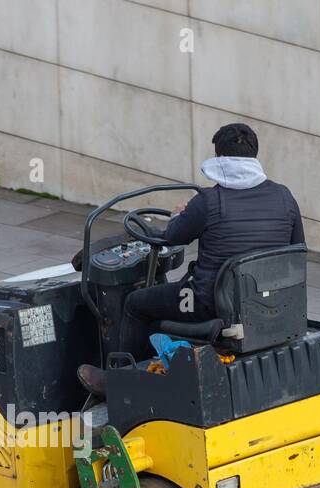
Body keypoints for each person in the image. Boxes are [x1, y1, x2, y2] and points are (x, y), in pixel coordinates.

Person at [78, 123, 305, 396]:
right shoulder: (284, 196)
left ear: (219, 157)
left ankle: (119, 384)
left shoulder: (209, 201)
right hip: (267, 304)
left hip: (208, 304)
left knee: (136, 303)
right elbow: (296, 251)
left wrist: (179, 215)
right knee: (160, 302)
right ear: (254, 155)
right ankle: (158, 371)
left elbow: (173, 236)